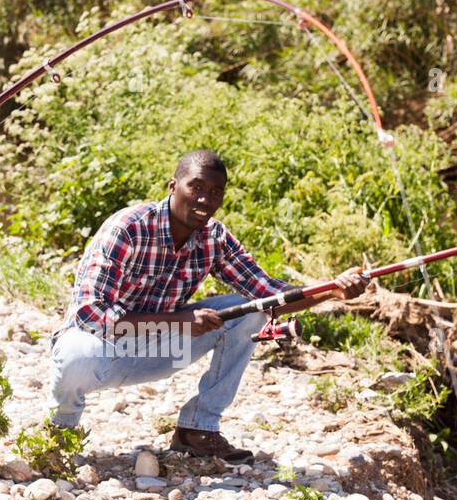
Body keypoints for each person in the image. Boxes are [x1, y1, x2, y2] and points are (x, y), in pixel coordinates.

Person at [48, 149, 370, 464]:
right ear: (173, 186)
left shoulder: (214, 237)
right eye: (197, 187)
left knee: (252, 309)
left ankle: (197, 430)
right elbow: (92, 314)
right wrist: (180, 323)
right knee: (76, 356)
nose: (205, 200)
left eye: (215, 192)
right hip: (100, 351)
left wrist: (333, 291)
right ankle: (60, 436)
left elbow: (269, 293)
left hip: (158, 352)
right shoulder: (128, 228)